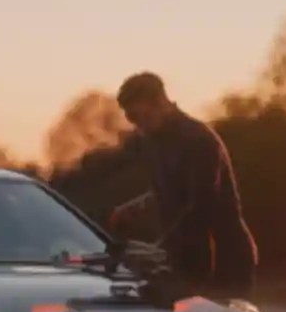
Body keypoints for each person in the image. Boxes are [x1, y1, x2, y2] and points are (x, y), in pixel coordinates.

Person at [110, 72, 258, 299]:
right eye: (131, 119)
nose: (138, 125)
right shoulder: (156, 141)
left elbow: (199, 205)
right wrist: (133, 208)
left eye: (140, 116)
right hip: (186, 257)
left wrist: (156, 249)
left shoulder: (198, 139)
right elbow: (170, 188)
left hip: (223, 259)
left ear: (160, 103)